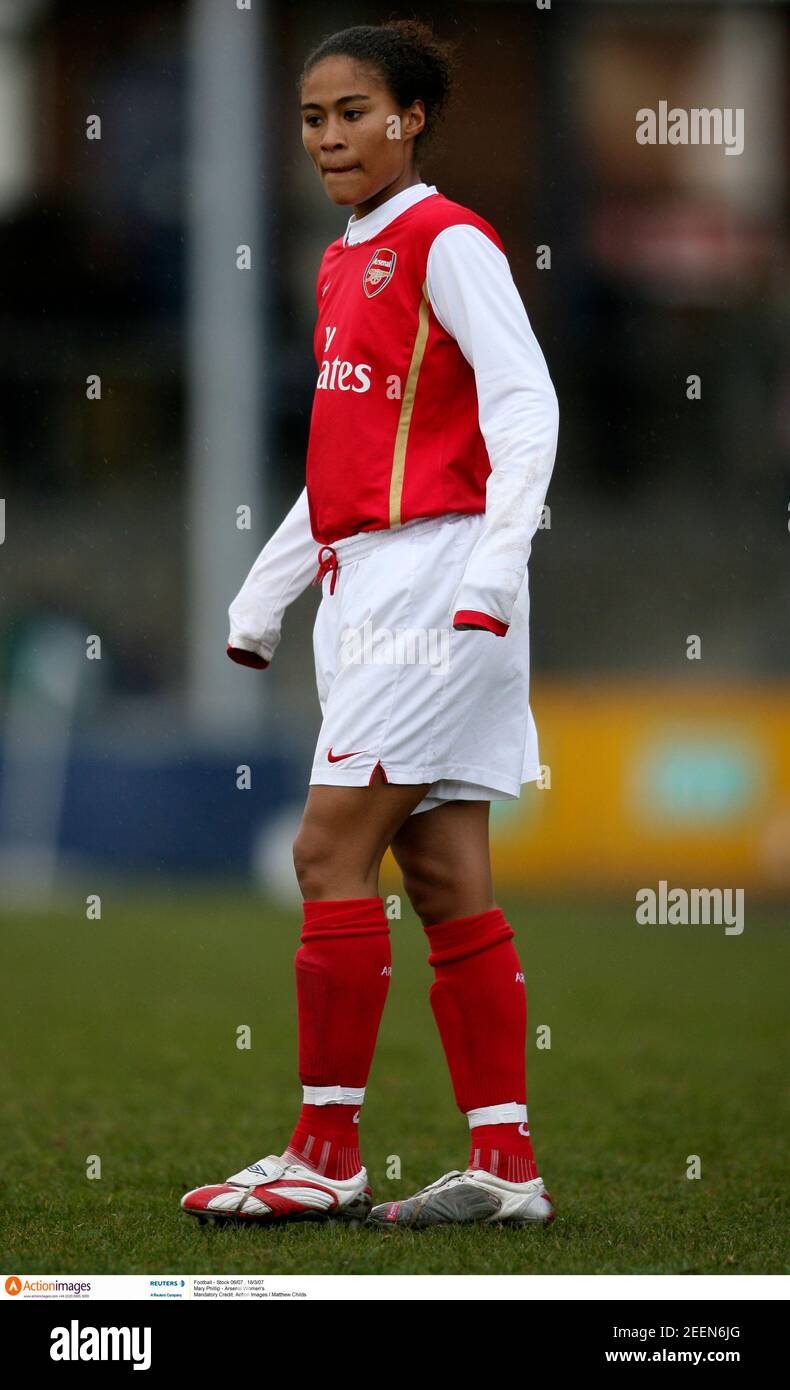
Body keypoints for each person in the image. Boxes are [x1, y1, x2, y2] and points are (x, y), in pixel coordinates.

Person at [181, 18, 559, 1230]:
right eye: (312, 117)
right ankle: (504, 1166)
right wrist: (264, 592)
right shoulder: (346, 258)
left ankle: (323, 1151)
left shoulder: (447, 240)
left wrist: (492, 575)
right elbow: (342, 465)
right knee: (443, 874)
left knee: (324, 854)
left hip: (437, 587)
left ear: (411, 119)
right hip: (376, 584)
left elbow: (525, 404)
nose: (332, 135)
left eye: (355, 112)